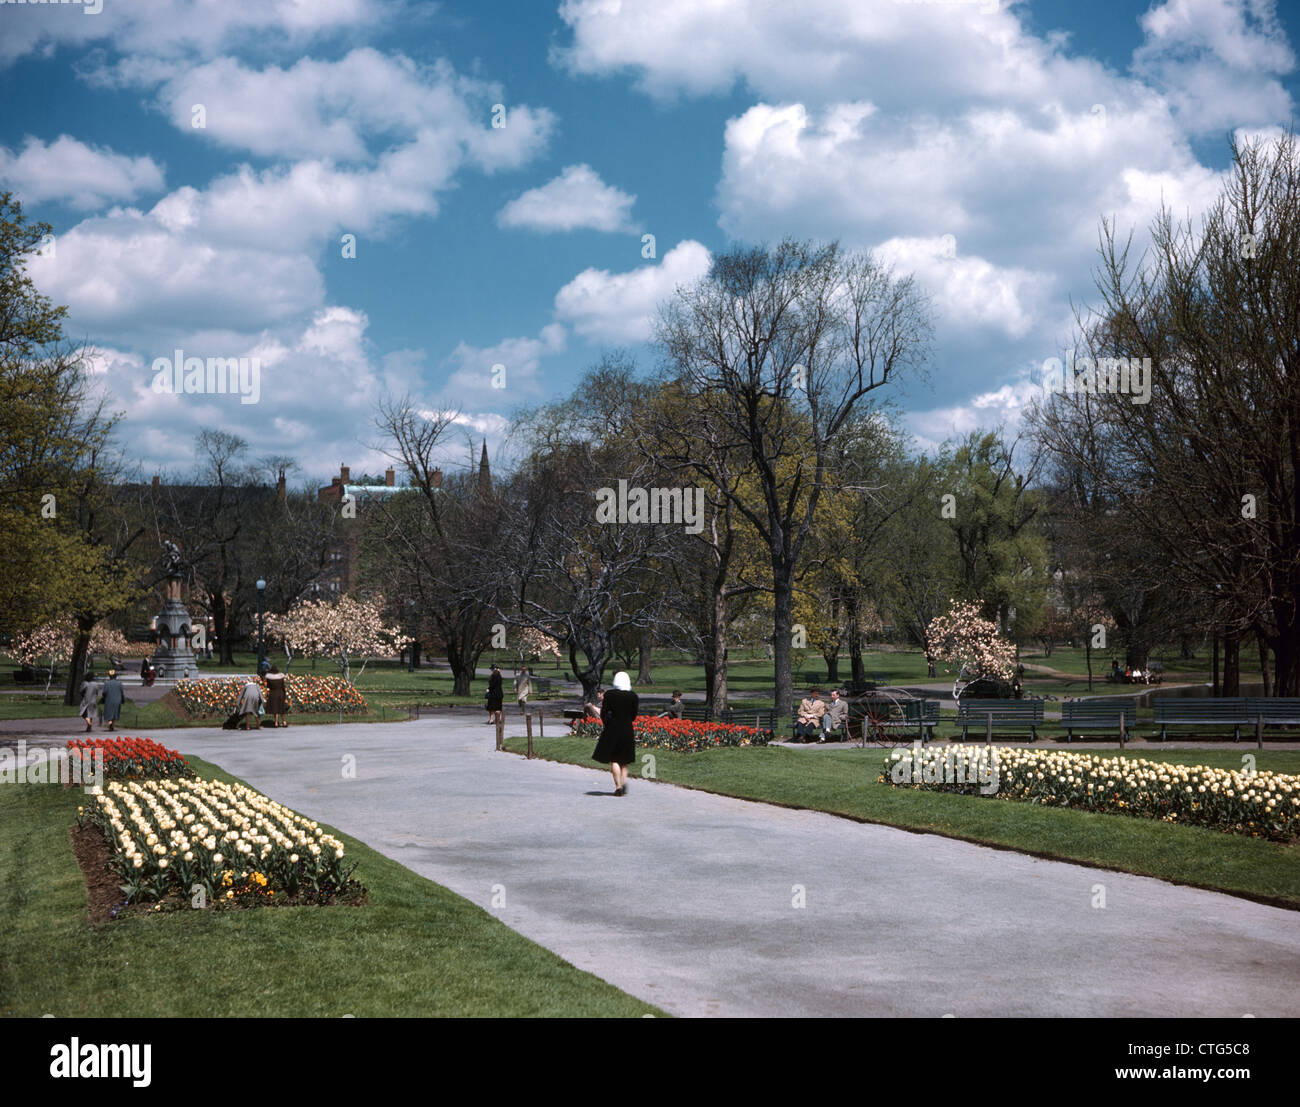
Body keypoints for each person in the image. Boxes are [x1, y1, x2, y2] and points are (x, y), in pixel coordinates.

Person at [592, 671, 638, 796]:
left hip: (613, 728)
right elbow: (634, 715)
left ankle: (617, 786)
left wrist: (608, 723)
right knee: (624, 760)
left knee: (615, 759)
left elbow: (604, 712)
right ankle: (623, 783)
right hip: (627, 729)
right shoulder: (633, 696)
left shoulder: (610, 695)